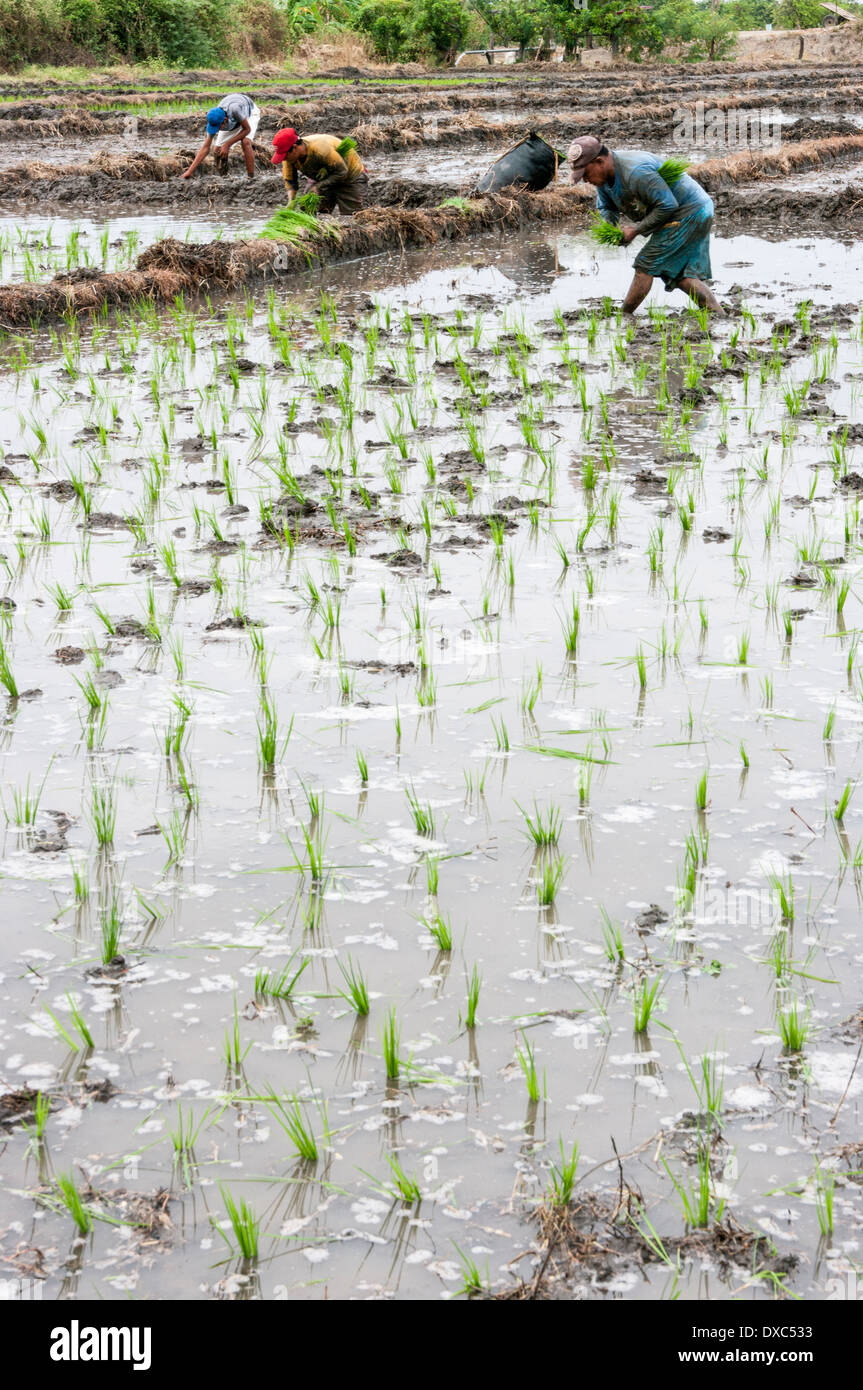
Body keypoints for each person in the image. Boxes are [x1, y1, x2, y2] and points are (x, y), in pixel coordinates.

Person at [568, 135, 723, 315]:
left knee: (645, 266)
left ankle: (624, 315)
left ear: (600, 161)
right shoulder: (604, 178)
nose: (586, 180)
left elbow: (667, 205)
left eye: (586, 174)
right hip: (683, 212)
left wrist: (635, 230)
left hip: (690, 211)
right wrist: (612, 228)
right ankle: (717, 314)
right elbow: (606, 206)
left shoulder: (636, 172)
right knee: (680, 277)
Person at [271, 127, 368, 215]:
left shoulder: (320, 150)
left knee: (352, 215)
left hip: (349, 176)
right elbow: (290, 180)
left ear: (295, 147)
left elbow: (342, 172)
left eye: (285, 155)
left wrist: (318, 186)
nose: (284, 159)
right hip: (321, 176)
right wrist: (291, 201)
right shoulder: (289, 158)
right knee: (308, 208)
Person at [181, 94, 261, 180]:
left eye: (218, 127)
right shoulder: (214, 118)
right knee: (217, 150)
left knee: (245, 142)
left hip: (250, 113)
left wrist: (227, 144)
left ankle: (251, 178)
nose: (217, 130)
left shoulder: (235, 110)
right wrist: (190, 171)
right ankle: (224, 178)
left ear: (225, 120)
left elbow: (247, 129)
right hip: (233, 119)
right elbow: (205, 147)